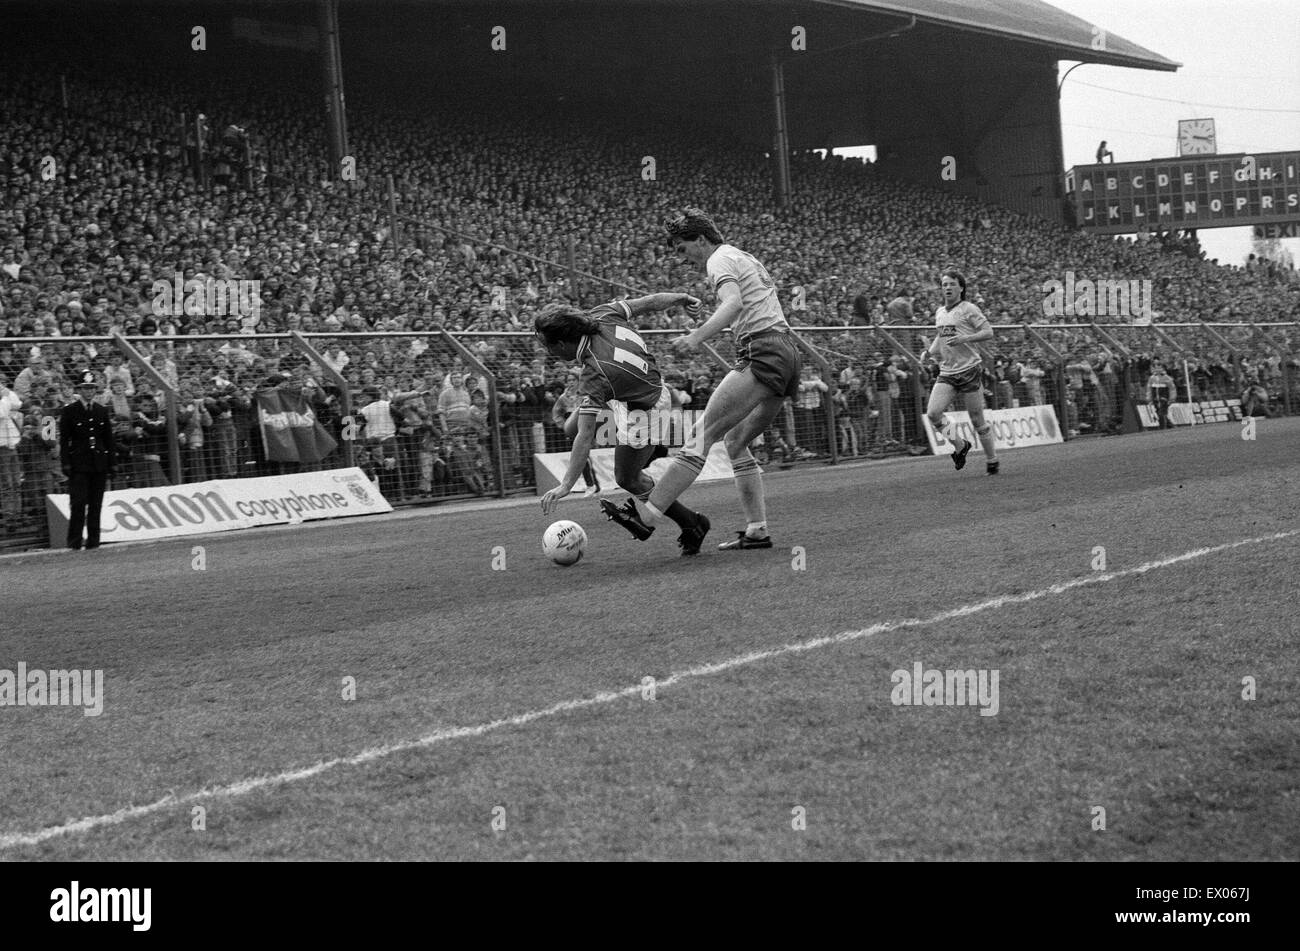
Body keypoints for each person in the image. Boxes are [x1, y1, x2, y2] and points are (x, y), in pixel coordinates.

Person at [637, 208, 803, 551]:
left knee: (702, 434)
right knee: (735, 442)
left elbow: (733, 303)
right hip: (785, 350)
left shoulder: (718, 259)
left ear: (701, 240)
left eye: (683, 249)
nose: (683, 259)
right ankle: (757, 530)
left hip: (764, 350)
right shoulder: (740, 255)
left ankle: (647, 516)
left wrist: (695, 337)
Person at [535, 293, 711, 556]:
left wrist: (566, 485)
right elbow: (650, 302)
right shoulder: (602, 313)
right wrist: (680, 298)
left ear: (561, 344)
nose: (548, 353)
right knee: (583, 431)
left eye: (547, 346)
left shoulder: (595, 374)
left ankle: (692, 523)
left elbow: (585, 435)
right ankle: (657, 454)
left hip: (642, 411)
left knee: (627, 478)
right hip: (641, 390)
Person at [924, 269, 999, 474]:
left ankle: (992, 461)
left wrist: (965, 339)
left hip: (969, 369)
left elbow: (988, 332)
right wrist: (929, 353)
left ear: (961, 287)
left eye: (951, 284)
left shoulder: (969, 308)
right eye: (944, 284)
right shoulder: (940, 312)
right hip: (947, 371)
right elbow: (941, 337)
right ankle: (959, 445)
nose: (947, 287)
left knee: (976, 419)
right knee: (933, 413)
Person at [59, 371, 116, 550]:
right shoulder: (69, 411)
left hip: (98, 462)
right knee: (78, 504)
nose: (89, 392)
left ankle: (94, 542)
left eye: (92, 388)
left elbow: (108, 439)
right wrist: (66, 462)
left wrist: (112, 463)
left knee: (95, 504)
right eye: (85, 388)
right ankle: (74, 542)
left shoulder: (101, 410)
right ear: (79, 390)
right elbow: (64, 440)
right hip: (79, 463)